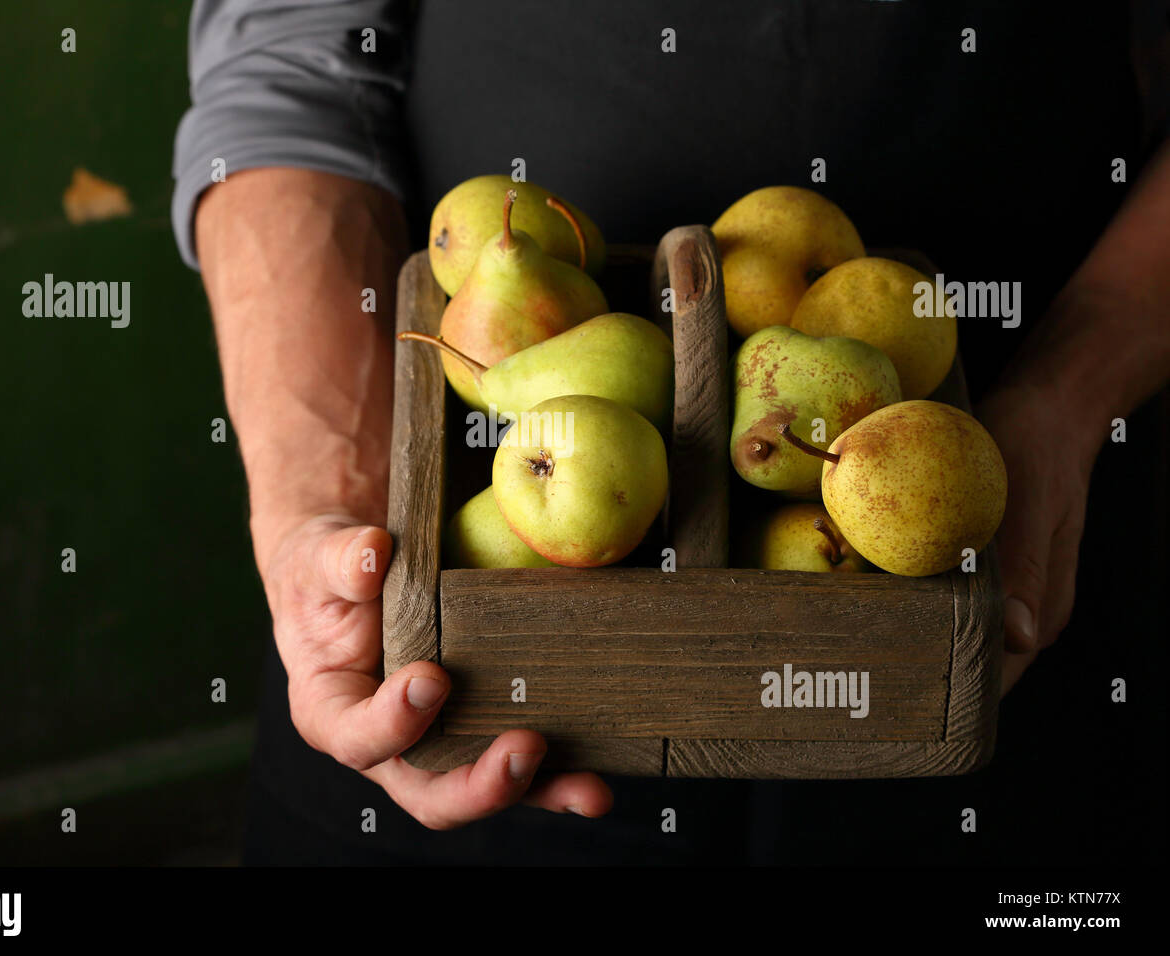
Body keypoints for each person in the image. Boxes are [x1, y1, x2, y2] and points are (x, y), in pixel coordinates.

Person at [173, 1, 1170, 864]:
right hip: (464, 666)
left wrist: (1068, 399)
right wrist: (332, 484)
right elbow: (287, 52)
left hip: (1023, 542)